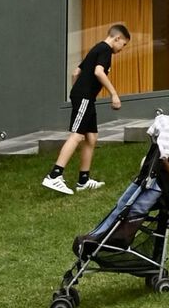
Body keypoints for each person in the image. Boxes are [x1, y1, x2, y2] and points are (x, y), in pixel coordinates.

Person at [41, 23, 130, 194]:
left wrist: (76, 91)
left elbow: (76, 72)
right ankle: (54, 176)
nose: (122, 48)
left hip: (84, 97)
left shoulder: (96, 48)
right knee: (77, 135)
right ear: (117, 38)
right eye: (123, 44)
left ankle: (83, 180)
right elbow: (98, 72)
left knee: (91, 137)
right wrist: (114, 94)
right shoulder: (105, 50)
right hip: (85, 98)